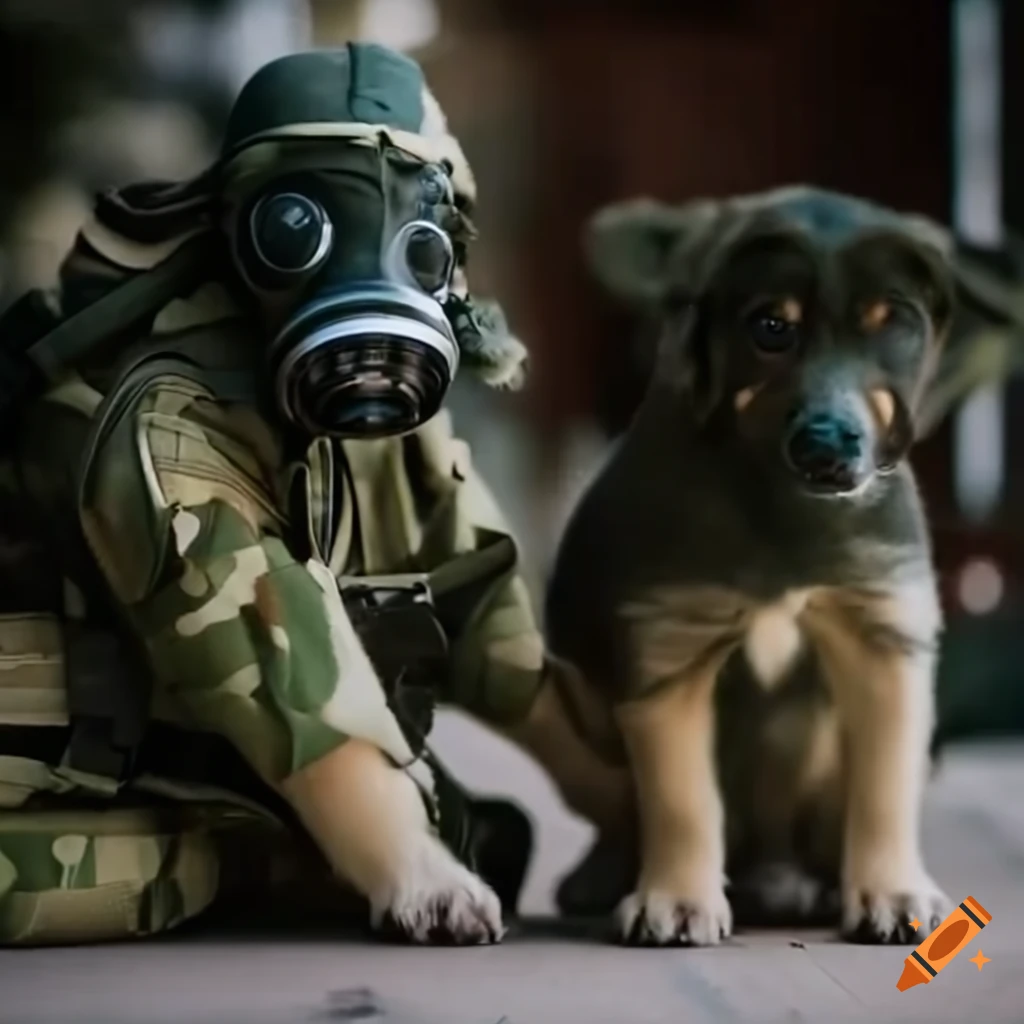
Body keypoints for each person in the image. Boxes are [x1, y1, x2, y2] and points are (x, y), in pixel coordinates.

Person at [0, 43, 627, 947]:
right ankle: (307, 850)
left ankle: (366, 835)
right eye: (300, 225)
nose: (366, 268)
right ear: (235, 231)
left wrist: (670, 822)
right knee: (142, 872)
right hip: (66, 782)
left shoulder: (389, 426)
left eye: (418, 240)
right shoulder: (164, 413)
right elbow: (266, 661)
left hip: (202, 758)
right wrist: (404, 864)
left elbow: (496, 640)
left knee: (428, 828)